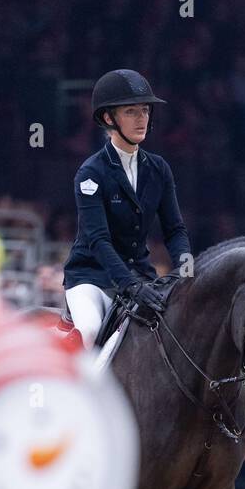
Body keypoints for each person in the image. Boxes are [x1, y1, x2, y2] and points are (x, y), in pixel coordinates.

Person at [63, 69, 191, 349]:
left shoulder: (159, 169)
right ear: (109, 118)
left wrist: (187, 270)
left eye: (145, 110)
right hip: (92, 278)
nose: (142, 118)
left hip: (142, 276)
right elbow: (98, 240)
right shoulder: (90, 173)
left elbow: (174, 229)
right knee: (89, 330)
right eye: (131, 111)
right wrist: (131, 286)